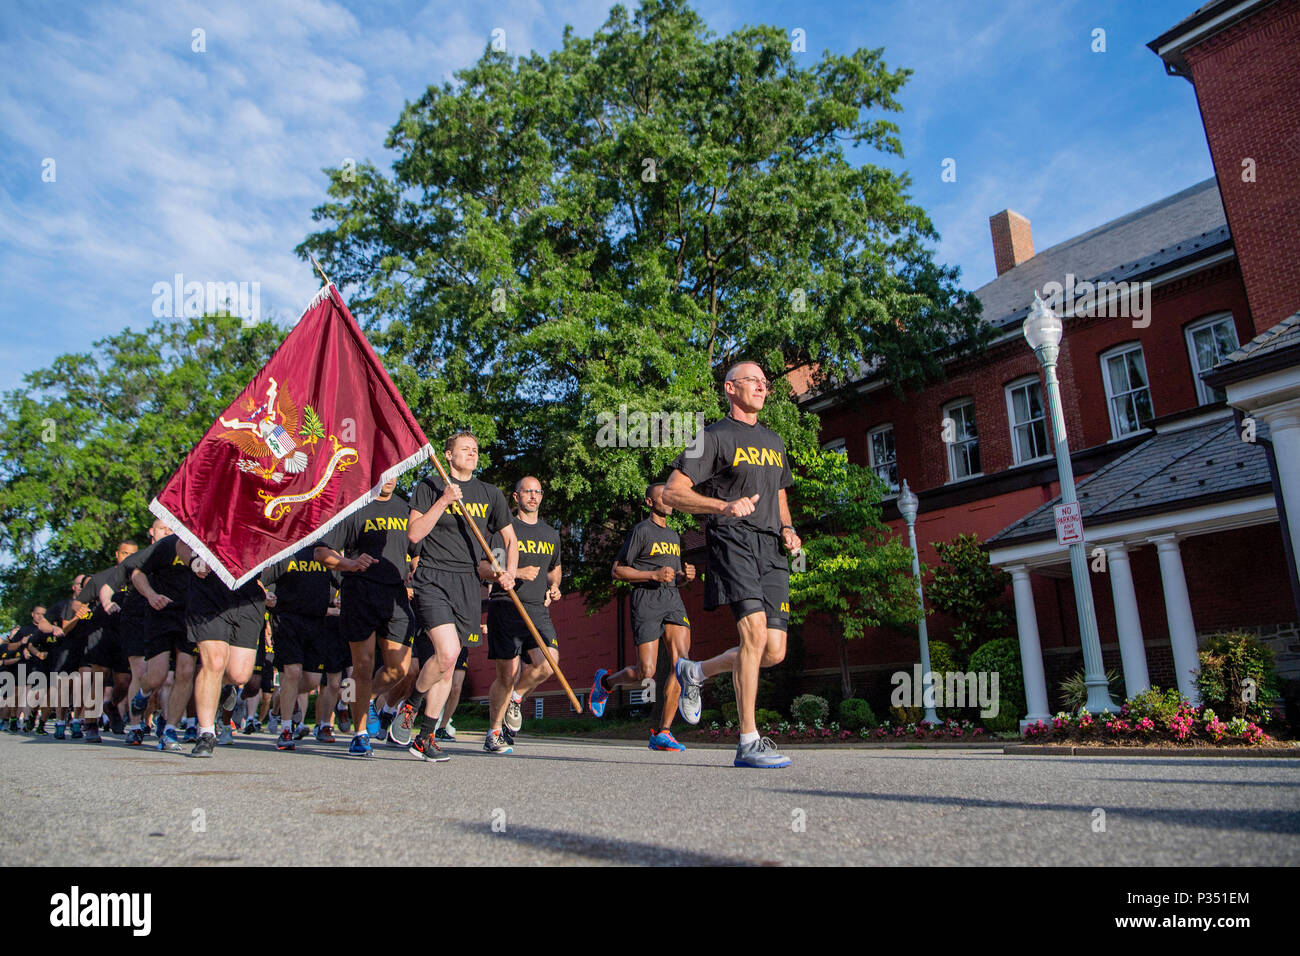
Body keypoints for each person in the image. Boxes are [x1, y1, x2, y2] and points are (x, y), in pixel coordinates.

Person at [664, 362, 802, 769]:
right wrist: (723, 506)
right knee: (754, 632)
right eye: (754, 381)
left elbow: (778, 494)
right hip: (731, 539)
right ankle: (748, 740)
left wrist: (789, 528)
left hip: (772, 548)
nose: (762, 387)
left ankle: (697, 672)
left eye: (765, 382)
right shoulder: (710, 437)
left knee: (773, 651)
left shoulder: (774, 440)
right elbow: (673, 492)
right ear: (730, 388)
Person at [405, 432, 516, 762]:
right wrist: (443, 501)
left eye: (476, 450)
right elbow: (414, 534)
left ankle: (424, 738)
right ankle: (411, 703)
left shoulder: (490, 493)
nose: (473, 454)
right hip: (432, 578)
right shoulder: (430, 485)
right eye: (465, 449)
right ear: (448, 455)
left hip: (468, 583)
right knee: (448, 650)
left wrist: (508, 571)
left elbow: (510, 539)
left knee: (449, 663)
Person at [589, 482, 711, 751]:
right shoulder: (641, 531)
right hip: (645, 601)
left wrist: (683, 577)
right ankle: (606, 682)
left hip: (672, 600)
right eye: (662, 497)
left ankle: (663, 732)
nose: (668, 500)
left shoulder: (675, 536)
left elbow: (673, 577)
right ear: (649, 503)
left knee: (682, 665)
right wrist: (652, 575)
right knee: (647, 671)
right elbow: (618, 571)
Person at [314, 477, 417, 757]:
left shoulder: (405, 508)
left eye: (395, 473)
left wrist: (414, 568)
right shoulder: (356, 507)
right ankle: (360, 734)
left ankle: (362, 699)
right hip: (359, 592)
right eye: (384, 473)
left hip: (394, 595)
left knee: (400, 668)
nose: (390, 479)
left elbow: (416, 550)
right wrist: (349, 563)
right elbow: (321, 552)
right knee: (363, 666)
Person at [483, 477, 562, 754]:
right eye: (527, 491)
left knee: (550, 662)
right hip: (506, 605)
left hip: (537, 610)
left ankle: (515, 700)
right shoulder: (504, 530)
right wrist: (517, 573)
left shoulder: (551, 534)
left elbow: (555, 569)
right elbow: (488, 568)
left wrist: (555, 587)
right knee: (507, 674)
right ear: (516, 497)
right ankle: (493, 732)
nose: (533, 496)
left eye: (537, 491)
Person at [187, 558, 267, 757]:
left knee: (239, 676)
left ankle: (221, 687)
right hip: (210, 590)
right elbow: (183, 540)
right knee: (214, 662)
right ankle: (206, 733)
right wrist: (191, 560)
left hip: (248, 594)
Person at [261, 543, 338, 751]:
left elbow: (342, 579)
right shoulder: (287, 549)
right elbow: (262, 580)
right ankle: (286, 729)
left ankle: (279, 703)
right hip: (287, 619)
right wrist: (267, 595)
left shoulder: (325, 550)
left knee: (311, 681)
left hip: (316, 622)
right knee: (292, 672)